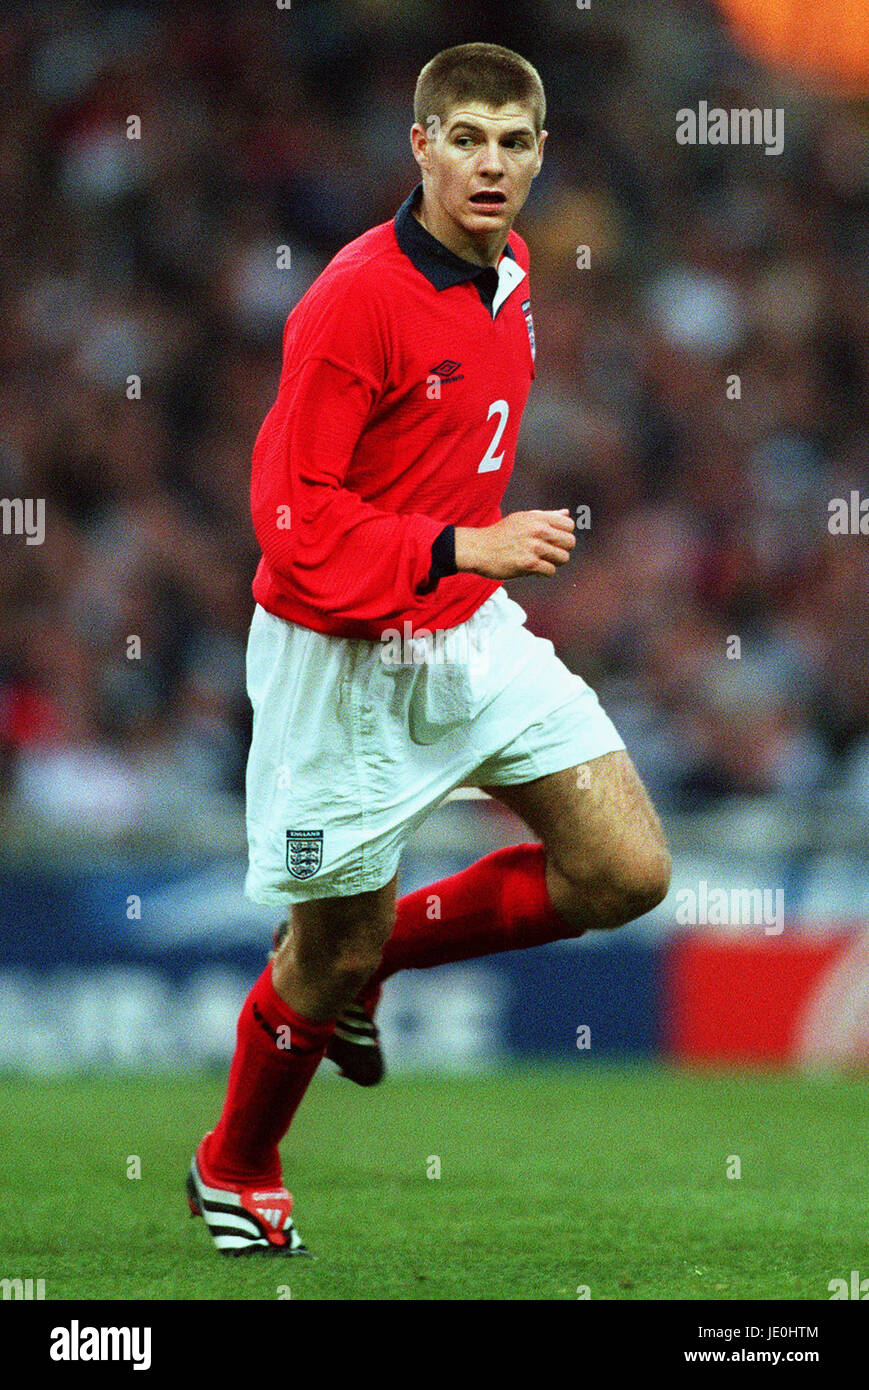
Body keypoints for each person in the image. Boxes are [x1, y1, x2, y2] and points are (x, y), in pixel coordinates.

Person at [186, 41, 671, 1257]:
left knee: (624, 871)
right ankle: (233, 1165)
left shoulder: (509, 271)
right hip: (338, 650)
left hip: (462, 631)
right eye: (464, 137)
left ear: (540, 152)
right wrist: (463, 546)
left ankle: (366, 962)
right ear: (420, 146)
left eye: (512, 140)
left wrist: (465, 566)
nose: (490, 163)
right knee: (327, 941)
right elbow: (290, 526)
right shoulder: (353, 298)